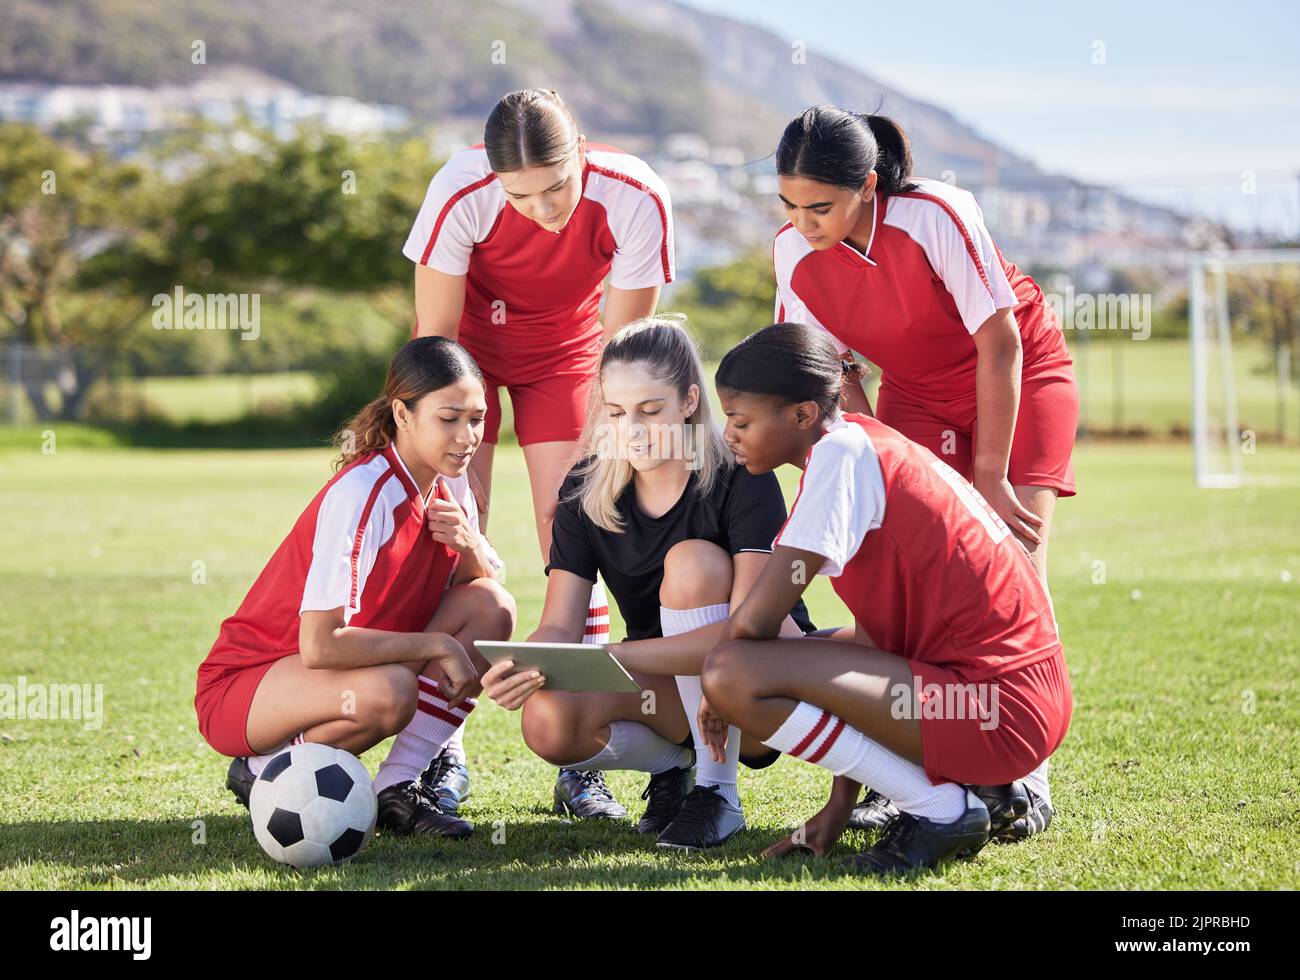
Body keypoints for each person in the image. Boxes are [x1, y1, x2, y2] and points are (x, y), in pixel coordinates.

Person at [772, 106, 1077, 831]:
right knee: (906, 580)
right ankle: (909, 771)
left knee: (1018, 564)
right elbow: (827, 376)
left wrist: (993, 479)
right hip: (916, 396)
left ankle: (1026, 778)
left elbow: (999, 345)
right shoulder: (793, 253)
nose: (804, 222)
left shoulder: (938, 212)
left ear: (868, 186)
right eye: (787, 204)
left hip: (1019, 378)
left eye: (821, 206)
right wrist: (867, 466)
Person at [695, 322, 1071, 874]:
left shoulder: (840, 456)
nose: (729, 435)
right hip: (1018, 696)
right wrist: (840, 804)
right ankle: (966, 790)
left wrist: (713, 689)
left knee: (735, 670)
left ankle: (943, 809)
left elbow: (755, 622)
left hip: (1000, 705)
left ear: (801, 415)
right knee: (795, 655)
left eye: (740, 420)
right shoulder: (865, 440)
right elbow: (874, 646)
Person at [404, 88, 675, 810]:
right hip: (470, 361)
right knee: (454, 530)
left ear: (582, 151)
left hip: (571, 359)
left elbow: (624, 355)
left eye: (557, 187)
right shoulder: (458, 191)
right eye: (521, 196)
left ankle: (578, 758)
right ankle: (439, 750)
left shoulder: (636, 194)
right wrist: (447, 442)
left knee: (573, 526)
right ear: (493, 178)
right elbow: (435, 346)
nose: (546, 209)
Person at [480, 316, 818, 850]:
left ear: (688, 401)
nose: (631, 430)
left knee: (692, 563)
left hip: (757, 686)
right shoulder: (586, 488)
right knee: (547, 721)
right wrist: (525, 666)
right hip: (667, 680)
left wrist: (618, 656)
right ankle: (674, 769)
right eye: (615, 412)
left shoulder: (740, 474)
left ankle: (718, 794)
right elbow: (561, 624)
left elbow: (750, 630)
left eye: (650, 410)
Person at [194, 337, 515, 839]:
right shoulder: (362, 493)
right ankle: (263, 769)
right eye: (448, 418)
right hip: (250, 684)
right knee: (390, 691)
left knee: (493, 606)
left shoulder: (451, 481)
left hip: (345, 668)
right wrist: (437, 644)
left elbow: (482, 597)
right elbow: (320, 645)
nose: (467, 435)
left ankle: (399, 787)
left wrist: (470, 543)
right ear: (402, 415)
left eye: (477, 419)